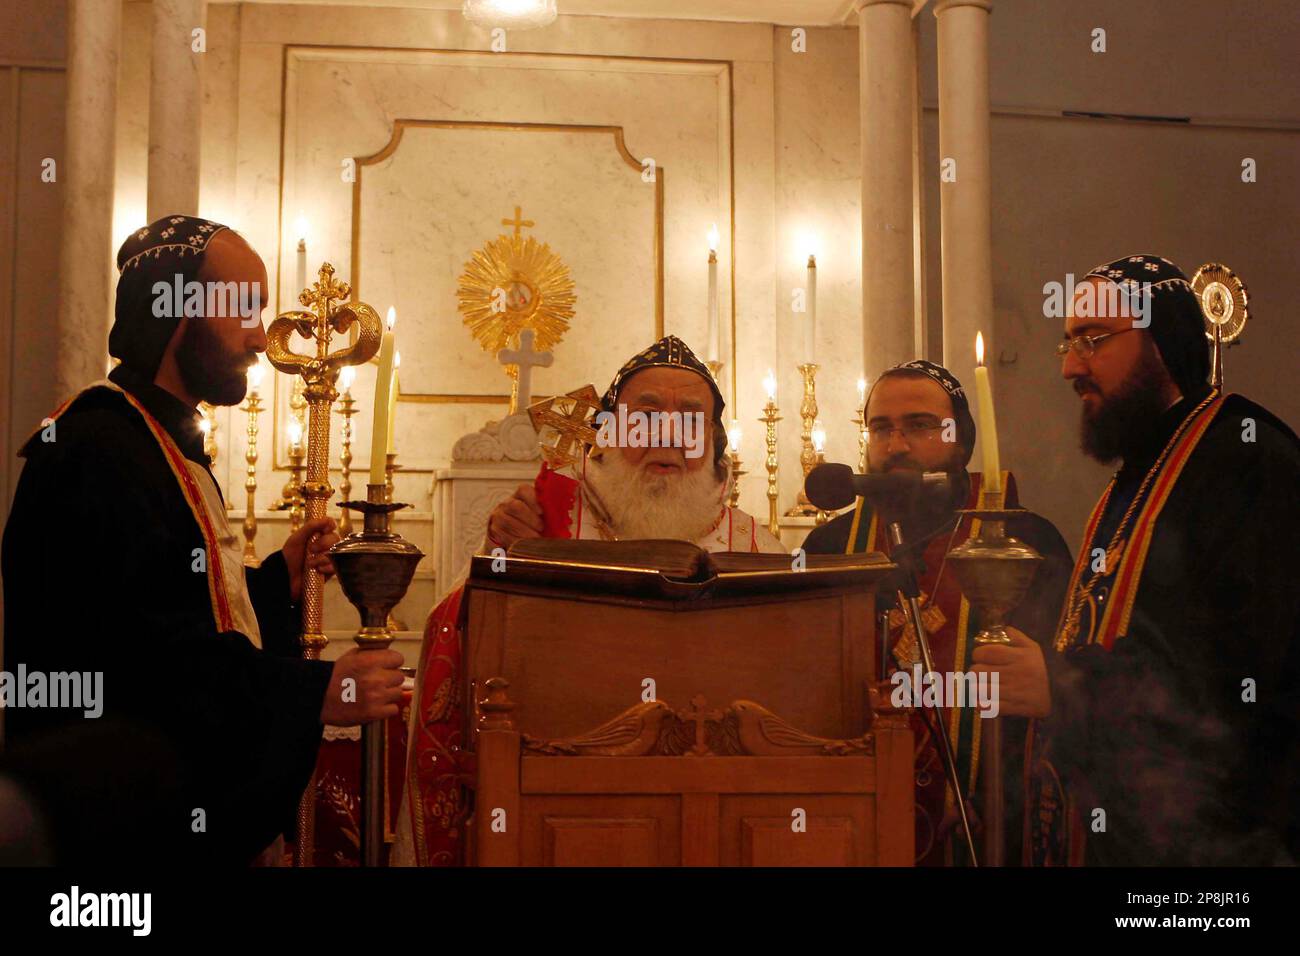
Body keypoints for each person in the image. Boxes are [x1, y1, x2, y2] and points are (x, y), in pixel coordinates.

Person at [1, 215, 404, 865]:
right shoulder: (95, 450)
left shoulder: (160, 445)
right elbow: (142, 661)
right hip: (111, 837)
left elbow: (180, 611)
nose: (258, 336)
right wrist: (315, 691)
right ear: (177, 311)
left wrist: (277, 583)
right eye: (244, 309)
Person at [394, 334, 784, 865]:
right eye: (644, 415)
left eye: (691, 418)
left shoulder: (757, 546)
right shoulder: (549, 519)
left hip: (712, 797)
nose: (667, 432)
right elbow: (458, 635)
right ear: (608, 431)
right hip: (560, 796)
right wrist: (500, 556)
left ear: (714, 441)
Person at [976, 254, 1300, 865]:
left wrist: (1063, 685)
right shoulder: (1139, 478)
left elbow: (1239, 674)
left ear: (1164, 342)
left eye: (1093, 340)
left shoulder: (1248, 461)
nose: (1071, 366)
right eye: (1068, 344)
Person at [803, 360, 1073, 866]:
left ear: (962, 441)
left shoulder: (1028, 541)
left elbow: (1056, 691)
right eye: (881, 427)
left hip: (994, 822)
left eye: (921, 426)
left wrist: (991, 798)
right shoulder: (830, 545)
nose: (896, 445)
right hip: (860, 816)